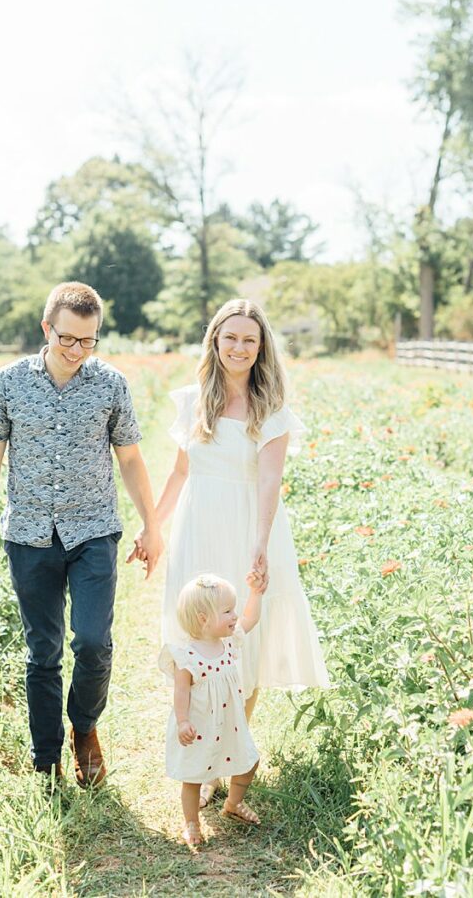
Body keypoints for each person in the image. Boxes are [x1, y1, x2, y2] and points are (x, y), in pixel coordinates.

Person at [0, 281, 163, 790]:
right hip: (29, 534)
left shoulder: (110, 385)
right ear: (46, 329)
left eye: (88, 341)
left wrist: (151, 524)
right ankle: (46, 756)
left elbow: (131, 459)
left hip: (94, 529)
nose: (77, 351)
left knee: (95, 642)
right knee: (43, 651)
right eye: (67, 339)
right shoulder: (8, 383)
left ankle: (85, 728)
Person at [148, 298, 330, 808]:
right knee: (194, 637)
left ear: (261, 346)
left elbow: (270, 480)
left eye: (250, 339)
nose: (239, 347)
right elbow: (180, 473)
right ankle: (198, 760)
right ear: (215, 340)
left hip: (251, 525)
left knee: (242, 647)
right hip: (198, 521)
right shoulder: (193, 402)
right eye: (231, 337)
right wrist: (152, 528)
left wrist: (260, 544)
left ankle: (229, 758)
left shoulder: (271, 409)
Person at [163, 573, 264, 846]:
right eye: (228, 611)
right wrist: (183, 721)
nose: (235, 616)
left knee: (249, 761)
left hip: (229, 722)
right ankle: (192, 823)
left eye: (234, 609)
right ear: (203, 619)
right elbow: (181, 691)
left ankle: (233, 803)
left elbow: (251, 619)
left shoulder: (229, 642)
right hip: (201, 726)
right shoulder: (186, 656)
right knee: (194, 776)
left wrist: (255, 593)